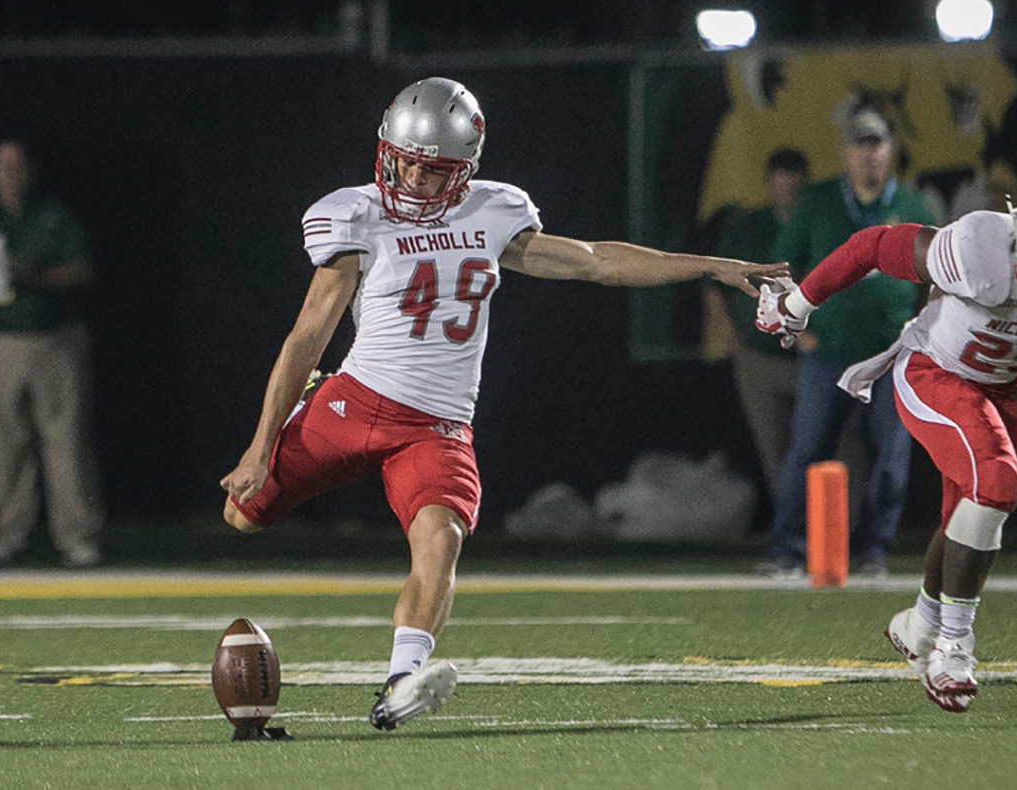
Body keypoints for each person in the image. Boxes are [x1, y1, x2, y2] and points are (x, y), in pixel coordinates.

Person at [219, 77, 789, 731]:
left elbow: (593, 260)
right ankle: (288, 448)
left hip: (434, 426)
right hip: (354, 401)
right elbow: (306, 336)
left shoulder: (493, 212)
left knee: (442, 540)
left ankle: (402, 680)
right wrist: (259, 447)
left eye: (430, 169)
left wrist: (711, 266)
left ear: (464, 171)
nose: (410, 176)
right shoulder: (353, 212)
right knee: (243, 513)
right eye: (401, 159)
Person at [757, 164, 1017, 713]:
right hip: (936, 371)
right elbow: (872, 246)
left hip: (1009, 383)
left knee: (975, 513)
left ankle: (921, 622)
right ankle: (954, 648)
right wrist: (795, 305)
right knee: (996, 481)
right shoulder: (981, 247)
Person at [757, 108, 937, 579]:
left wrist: (922, 335)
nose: (868, 153)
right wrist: (798, 333)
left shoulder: (916, 206)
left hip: (891, 356)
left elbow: (939, 280)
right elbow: (780, 265)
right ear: (844, 152)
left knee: (891, 455)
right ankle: (787, 551)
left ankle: (874, 551)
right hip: (828, 354)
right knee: (807, 448)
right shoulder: (817, 202)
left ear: (890, 151)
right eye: (859, 144)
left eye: (876, 143)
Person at [0, 139, 103, 568]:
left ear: (31, 170)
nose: (7, 174)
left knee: (64, 441)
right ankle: (10, 534)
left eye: (16, 166)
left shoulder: (53, 216)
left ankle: (76, 536)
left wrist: (33, 277)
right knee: (4, 443)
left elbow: (83, 270)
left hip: (53, 338)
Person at [703, 148, 809, 499]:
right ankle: (791, 534)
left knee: (819, 445)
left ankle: (832, 529)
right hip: (757, 356)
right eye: (781, 185)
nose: (787, 194)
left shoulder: (818, 227)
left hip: (810, 359)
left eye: (795, 187)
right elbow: (713, 285)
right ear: (767, 186)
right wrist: (729, 334)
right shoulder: (747, 227)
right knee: (774, 450)